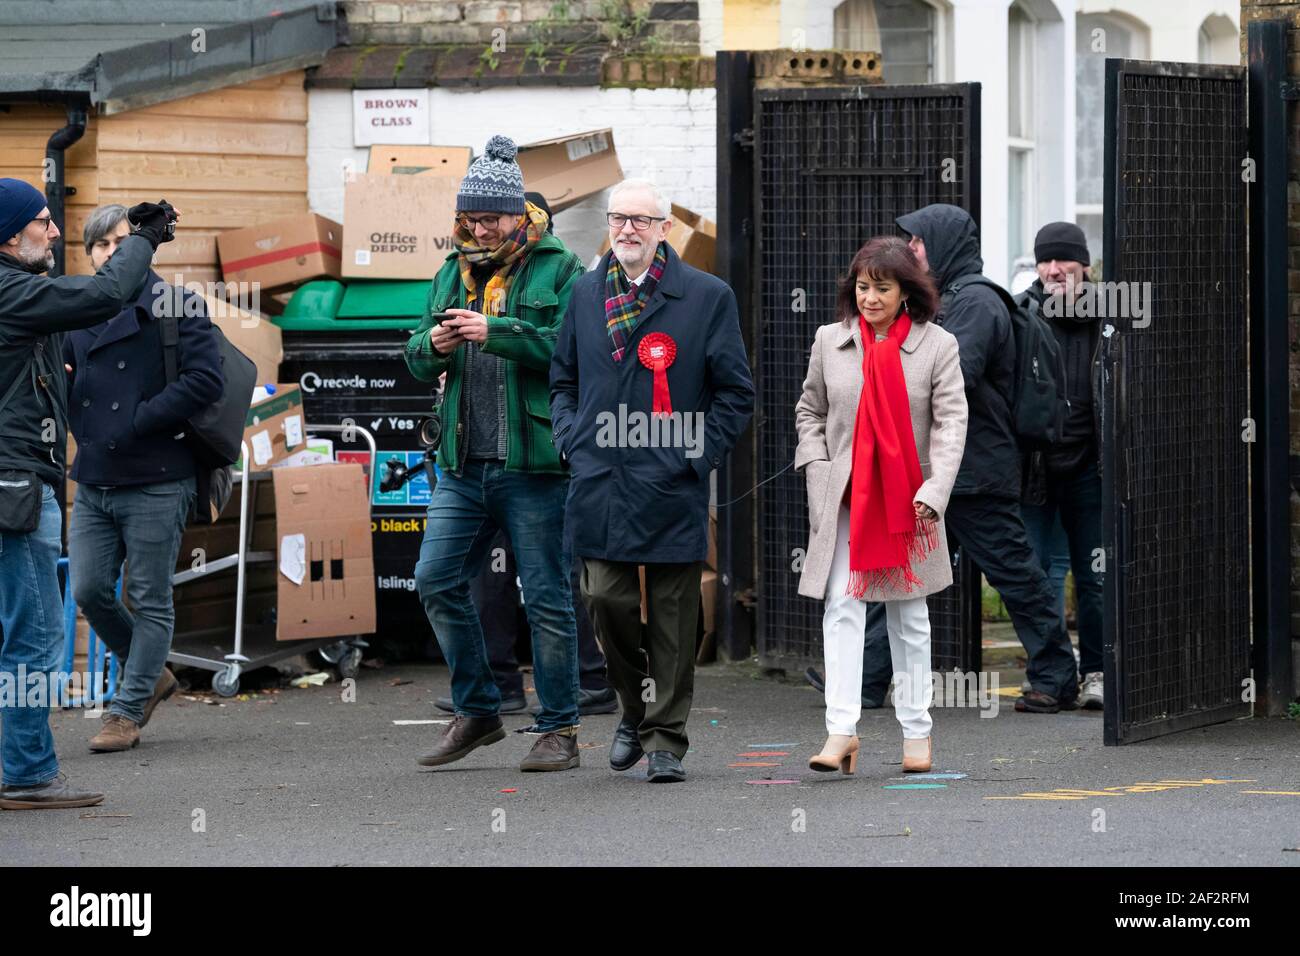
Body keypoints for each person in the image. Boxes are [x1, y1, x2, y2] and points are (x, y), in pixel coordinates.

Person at [551, 178, 754, 783]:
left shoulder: (705, 296)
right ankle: (635, 709)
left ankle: (665, 739)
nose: (627, 230)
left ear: (665, 229)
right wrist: (570, 438)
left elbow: (735, 394)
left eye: (642, 220)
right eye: (619, 219)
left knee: (673, 615)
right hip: (598, 479)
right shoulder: (585, 295)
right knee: (603, 598)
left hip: (670, 481)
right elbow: (562, 381)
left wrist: (695, 456)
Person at [406, 136, 585, 772]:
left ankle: (559, 730)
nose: (478, 229)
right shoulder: (451, 268)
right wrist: (435, 342)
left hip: (533, 463)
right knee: (434, 578)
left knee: (545, 597)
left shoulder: (560, 269)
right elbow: (413, 354)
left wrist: (497, 331)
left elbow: (572, 351)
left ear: (517, 215)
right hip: (461, 462)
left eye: (489, 219)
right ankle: (479, 709)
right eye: (469, 219)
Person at [0, 178, 177, 809]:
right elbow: (106, 292)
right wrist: (144, 238)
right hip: (14, 490)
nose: (53, 232)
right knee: (33, 638)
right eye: (42, 222)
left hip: (20, 481)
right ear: (8, 234)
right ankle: (25, 775)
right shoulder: (10, 289)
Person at [896, 203, 1080, 713]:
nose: (910, 249)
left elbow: (954, 374)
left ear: (943, 243)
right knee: (902, 568)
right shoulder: (946, 299)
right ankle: (867, 678)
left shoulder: (975, 302)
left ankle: (1056, 676)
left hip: (974, 470)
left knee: (1015, 574)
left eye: (918, 240)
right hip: (945, 470)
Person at [795, 236, 967, 774]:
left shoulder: (938, 345)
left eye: (882, 288)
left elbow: (951, 425)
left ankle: (917, 733)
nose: (869, 298)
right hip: (846, 499)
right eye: (863, 287)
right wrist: (819, 467)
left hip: (909, 505)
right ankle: (840, 732)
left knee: (909, 616)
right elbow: (809, 410)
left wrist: (933, 492)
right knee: (841, 608)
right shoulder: (829, 340)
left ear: (905, 293)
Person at [64, 204, 224, 752]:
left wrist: (138, 420)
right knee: (87, 588)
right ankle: (151, 673)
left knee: (147, 596)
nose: (111, 254)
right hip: (94, 477)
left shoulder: (176, 304)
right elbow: (58, 381)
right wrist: (81, 426)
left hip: (157, 473)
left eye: (119, 243)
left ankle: (126, 711)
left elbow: (206, 379)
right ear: (91, 255)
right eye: (100, 246)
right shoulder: (77, 310)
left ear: (142, 248)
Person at [1015, 222, 1103, 709]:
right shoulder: (1022, 312)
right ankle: (1051, 678)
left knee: (1096, 576)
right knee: (1034, 573)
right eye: (1044, 261)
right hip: (1034, 465)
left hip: (1092, 464)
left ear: (1084, 264)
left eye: (1063, 260)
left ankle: (1096, 673)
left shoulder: (1110, 317)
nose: (1053, 269)